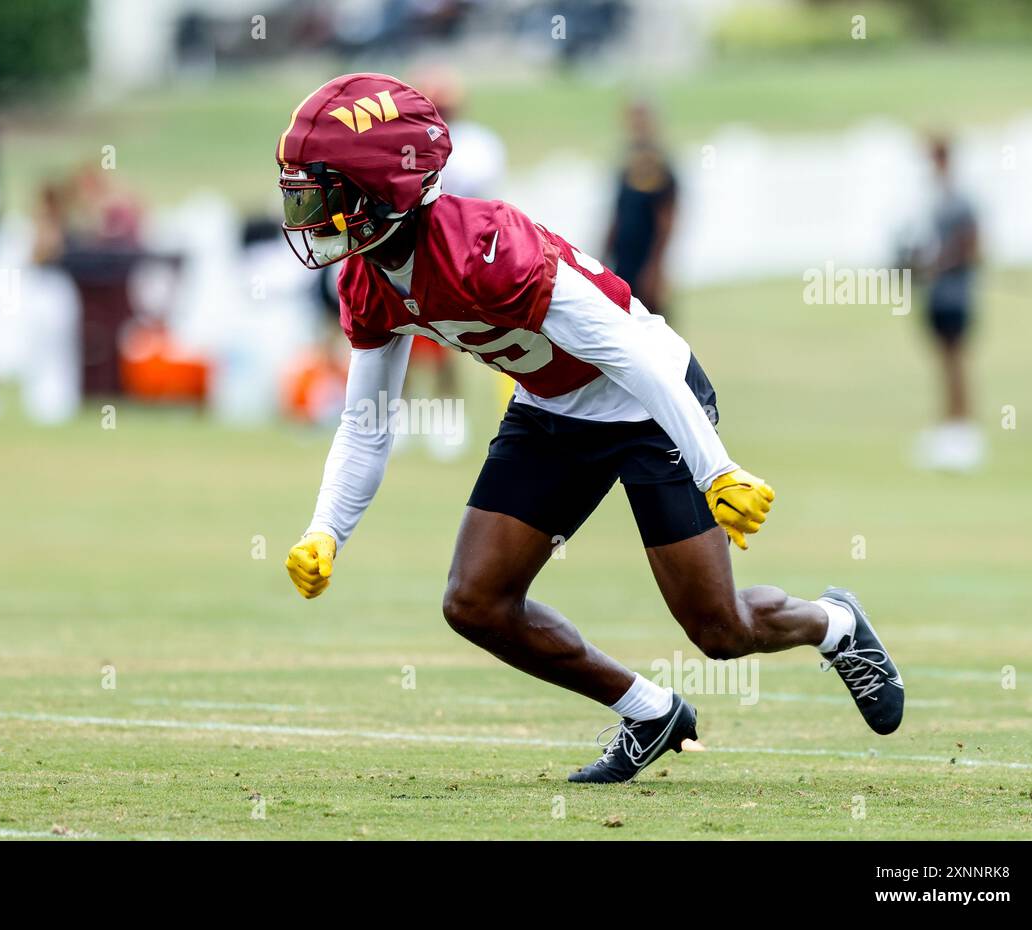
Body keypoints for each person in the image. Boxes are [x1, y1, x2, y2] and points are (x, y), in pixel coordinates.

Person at [277, 74, 904, 784]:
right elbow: (366, 425)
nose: (309, 215)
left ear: (384, 189)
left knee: (720, 631)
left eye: (323, 196)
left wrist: (716, 468)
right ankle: (648, 711)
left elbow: (629, 353)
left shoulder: (486, 247)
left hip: (646, 400)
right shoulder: (368, 278)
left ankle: (834, 624)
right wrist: (326, 530)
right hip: (552, 409)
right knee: (476, 602)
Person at [913, 135, 982, 472]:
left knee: (956, 362)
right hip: (936, 294)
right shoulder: (934, 199)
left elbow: (973, 246)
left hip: (955, 294)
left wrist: (939, 263)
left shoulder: (960, 201)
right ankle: (949, 429)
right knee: (943, 362)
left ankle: (963, 431)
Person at [604, 101, 677, 320]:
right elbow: (617, 213)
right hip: (623, 261)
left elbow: (666, 219)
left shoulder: (658, 165)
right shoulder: (628, 163)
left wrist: (655, 269)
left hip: (646, 260)